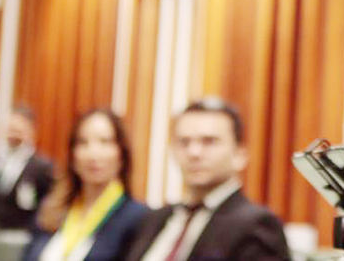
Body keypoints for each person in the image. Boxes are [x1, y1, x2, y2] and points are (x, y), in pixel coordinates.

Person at [123, 97, 290, 261]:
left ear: (239, 155)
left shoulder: (257, 224)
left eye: (209, 142)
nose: (194, 152)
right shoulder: (153, 219)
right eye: (184, 142)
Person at [23, 108, 149, 260]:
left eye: (105, 142)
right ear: (72, 155)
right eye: (83, 142)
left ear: (122, 155)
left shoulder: (138, 218)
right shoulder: (51, 210)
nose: (93, 153)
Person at [0, 105, 54, 230]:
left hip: (24, 237)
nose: (13, 135)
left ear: (31, 131)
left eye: (19, 131)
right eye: (11, 129)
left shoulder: (43, 168)